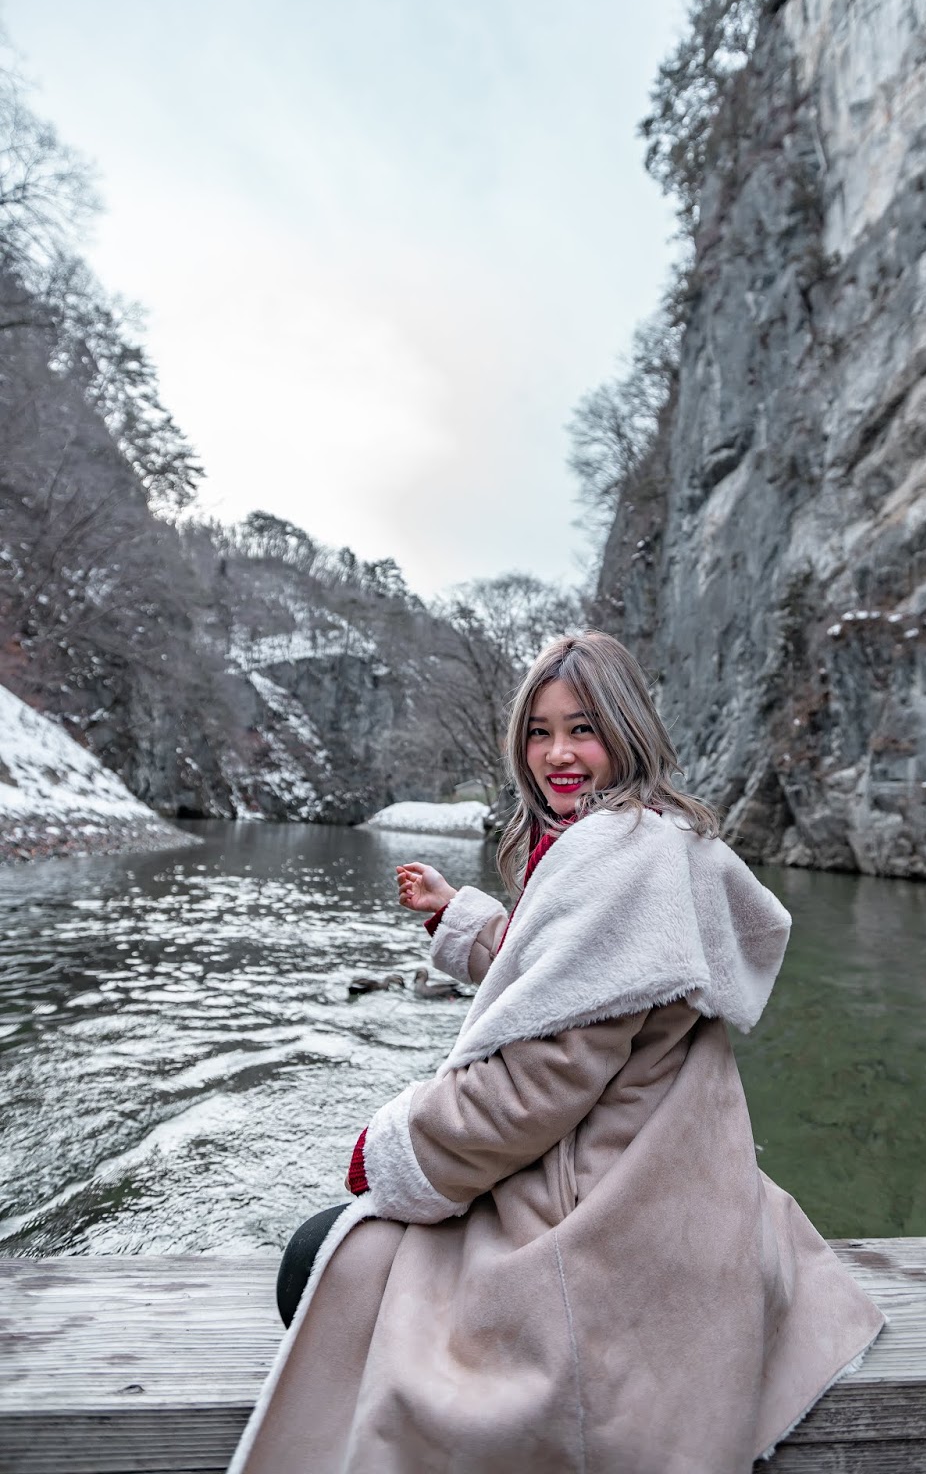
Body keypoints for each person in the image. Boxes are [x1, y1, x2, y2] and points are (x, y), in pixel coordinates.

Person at [230, 632, 884, 1474]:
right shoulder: (644, 840)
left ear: (627, 729)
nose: (557, 754)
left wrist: (389, 1153)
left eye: (582, 728)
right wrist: (457, 919)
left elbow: (539, 1083)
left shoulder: (617, 860)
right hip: (673, 1181)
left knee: (316, 1262)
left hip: (603, 1204)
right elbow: (564, 974)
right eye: (538, 732)